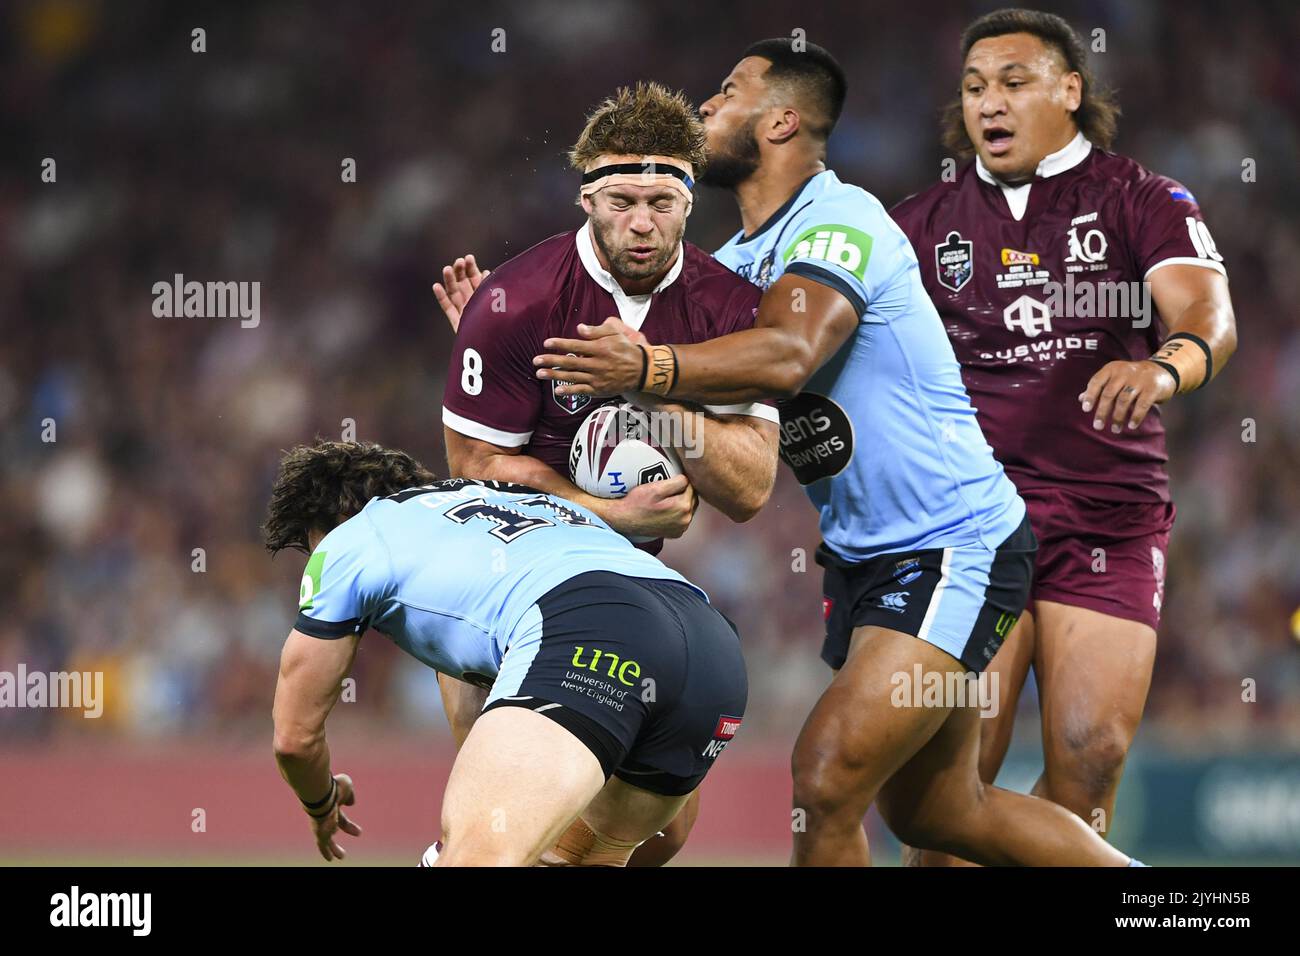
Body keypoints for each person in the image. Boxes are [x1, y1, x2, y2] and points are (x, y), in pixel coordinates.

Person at [535, 38, 1137, 866]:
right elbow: (680, 418)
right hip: (862, 565)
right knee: (940, 812)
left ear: (781, 120)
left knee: (823, 780)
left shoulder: (839, 217)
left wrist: (649, 366)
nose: (705, 108)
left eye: (727, 90)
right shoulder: (731, 266)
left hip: (951, 546)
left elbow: (787, 354)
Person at [887, 8, 1237, 865]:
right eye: (974, 89)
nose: (988, 104)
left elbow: (1209, 315)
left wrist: (1165, 367)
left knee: (1090, 758)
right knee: (957, 777)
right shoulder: (919, 224)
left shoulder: (1141, 197)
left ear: (1071, 92)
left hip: (1109, 515)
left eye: (1012, 82)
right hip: (974, 522)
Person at [433, 81, 780, 864]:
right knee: (516, 829)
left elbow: (751, 487)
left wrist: (643, 383)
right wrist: (608, 513)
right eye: (621, 199)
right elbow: (474, 471)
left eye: (662, 201)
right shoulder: (517, 301)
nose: (642, 223)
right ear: (586, 196)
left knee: (661, 832)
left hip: (630, 593)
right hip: (506, 576)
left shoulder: (733, 312)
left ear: (692, 198)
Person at [266, 440, 747, 866]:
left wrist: (321, 801)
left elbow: (295, 738)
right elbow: (669, 836)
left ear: (325, 525)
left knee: (474, 857)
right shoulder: (511, 507)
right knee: (568, 856)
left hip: (587, 629)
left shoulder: (354, 538)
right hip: (711, 646)